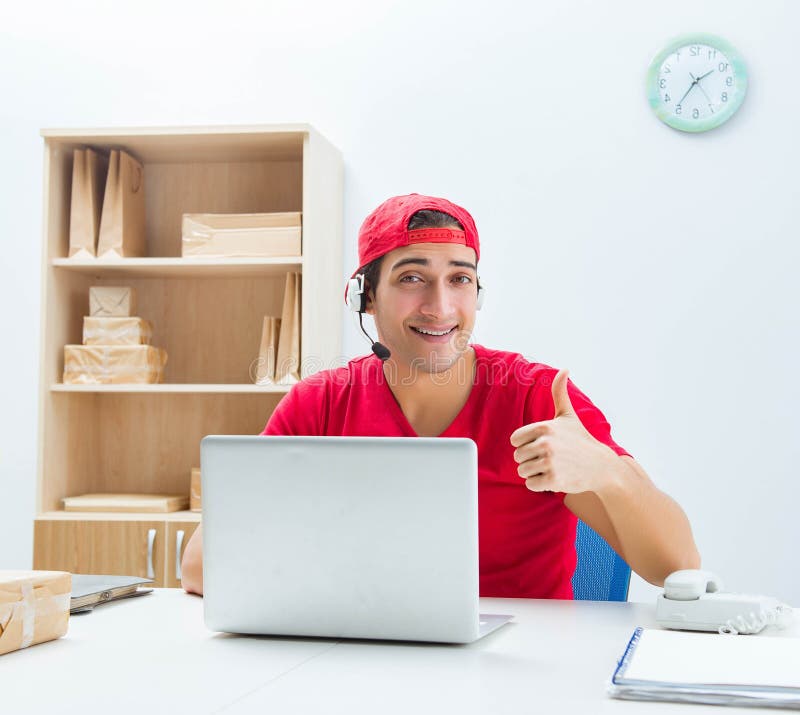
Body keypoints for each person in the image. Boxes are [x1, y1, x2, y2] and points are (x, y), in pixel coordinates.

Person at [182, 193, 700, 597]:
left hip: (525, 670)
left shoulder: (538, 397)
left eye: (460, 279)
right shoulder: (320, 403)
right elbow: (201, 569)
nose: (440, 305)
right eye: (412, 277)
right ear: (367, 297)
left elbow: (675, 568)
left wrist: (607, 471)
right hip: (364, 654)